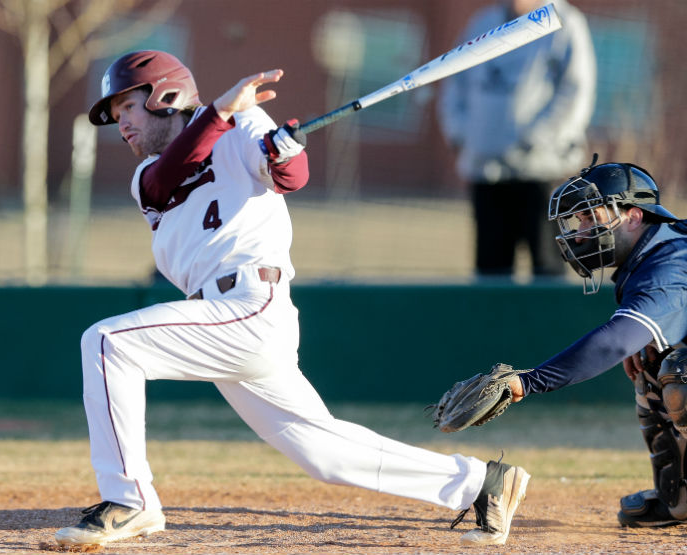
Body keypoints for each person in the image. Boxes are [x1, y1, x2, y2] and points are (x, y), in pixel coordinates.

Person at [55, 50, 530, 548]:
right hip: (217, 317)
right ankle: (481, 483)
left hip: (248, 303)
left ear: (164, 96)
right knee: (323, 453)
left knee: (108, 342)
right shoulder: (148, 172)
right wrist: (220, 113)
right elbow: (167, 178)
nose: (119, 123)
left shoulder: (242, 122)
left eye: (126, 107)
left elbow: (291, 177)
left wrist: (283, 149)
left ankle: (130, 501)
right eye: (115, 115)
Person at [486, 157, 687, 527]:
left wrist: (527, 381)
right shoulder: (664, 248)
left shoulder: (670, 263)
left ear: (633, 216)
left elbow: (614, 342)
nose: (579, 231)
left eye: (589, 217)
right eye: (578, 220)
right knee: (653, 359)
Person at [438, 0, 596, 278]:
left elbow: (575, 92)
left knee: (546, 268)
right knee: (491, 272)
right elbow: (455, 82)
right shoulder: (482, 23)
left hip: (540, 173)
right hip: (486, 172)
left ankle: (545, 323)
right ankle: (493, 323)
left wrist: (538, 138)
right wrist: (462, 133)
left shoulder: (564, 23)